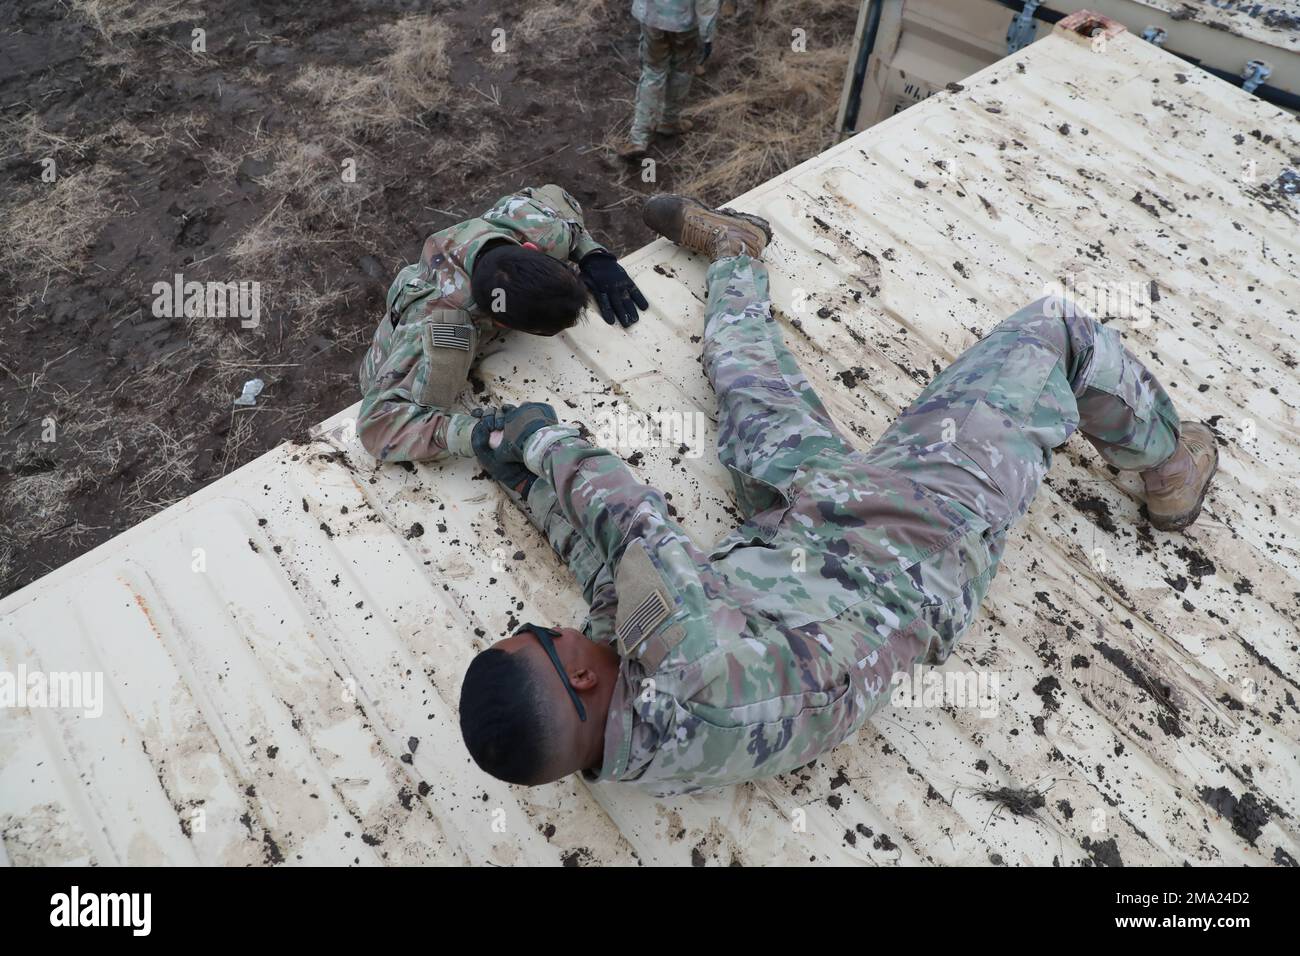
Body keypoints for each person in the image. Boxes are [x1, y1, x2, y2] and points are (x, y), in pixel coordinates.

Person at [458, 196, 1218, 795]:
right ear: (578, 677)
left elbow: (607, 583)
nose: (560, 630)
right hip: (911, 542)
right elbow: (634, 531)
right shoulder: (695, 678)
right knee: (1057, 331)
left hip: (801, 540)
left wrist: (527, 487)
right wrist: (542, 442)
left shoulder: (616, 721)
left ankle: (736, 253)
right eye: (545, 635)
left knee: (745, 380)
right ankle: (1171, 465)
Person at [356, 184, 648, 462]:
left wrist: (593, 255)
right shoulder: (445, 335)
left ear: (533, 249)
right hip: (394, 365)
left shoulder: (540, 227)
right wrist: (478, 434)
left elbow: (555, 197)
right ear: (498, 323)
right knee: (434, 393)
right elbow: (379, 427)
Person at [618, 1, 720, 159]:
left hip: (652, 18)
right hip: (684, 21)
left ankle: (639, 138)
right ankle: (669, 121)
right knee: (681, 71)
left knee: (652, 72)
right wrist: (707, 33)